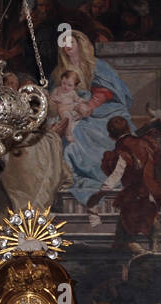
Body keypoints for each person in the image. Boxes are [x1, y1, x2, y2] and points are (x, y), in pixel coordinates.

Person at [52, 30, 135, 206]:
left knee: (92, 129)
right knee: (65, 130)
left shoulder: (97, 66)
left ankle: (104, 173)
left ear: (80, 44)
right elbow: (55, 95)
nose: (68, 46)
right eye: (64, 43)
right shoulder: (59, 71)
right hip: (70, 110)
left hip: (101, 108)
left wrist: (89, 105)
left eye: (71, 42)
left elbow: (108, 91)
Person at [87, 114, 161, 249]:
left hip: (136, 196)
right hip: (154, 192)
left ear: (110, 135)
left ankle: (139, 255)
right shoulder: (146, 142)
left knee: (124, 240)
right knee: (149, 223)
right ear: (128, 128)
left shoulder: (121, 152)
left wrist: (97, 196)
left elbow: (115, 177)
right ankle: (152, 250)